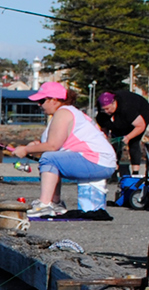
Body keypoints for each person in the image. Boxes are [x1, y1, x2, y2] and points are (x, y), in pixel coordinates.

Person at [12, 82, 118, 217]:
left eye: (42, 100)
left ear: (54, 100)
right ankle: (55, 203)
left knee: (49, 158)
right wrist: (35, 145)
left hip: (97, 161)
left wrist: (26, 150)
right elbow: (55, 143)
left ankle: (45, 204)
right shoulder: (68, 112)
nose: (39, 105)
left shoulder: (63, 113)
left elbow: (52, 146)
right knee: (52, 158)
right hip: (102, 162)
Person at [96, 87, 149, 175]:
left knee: (133, 141)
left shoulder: (126, 108)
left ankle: (135, 172)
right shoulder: (102, 112)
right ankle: (114, 169)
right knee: (115, 139)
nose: (106, 111)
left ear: (114, 103)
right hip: (123, 115)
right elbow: (104, 127)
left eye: (108, 109)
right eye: (104, 109)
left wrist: (128, 137)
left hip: (142, 111)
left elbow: (140, 126)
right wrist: (105, 139)